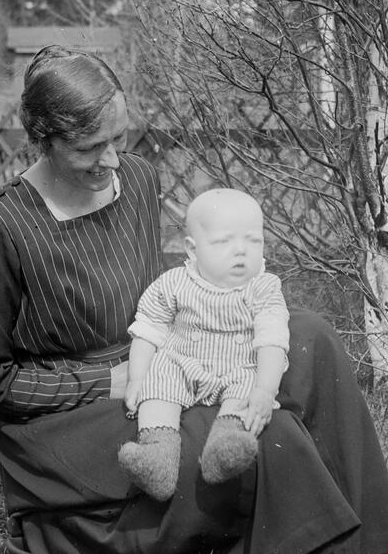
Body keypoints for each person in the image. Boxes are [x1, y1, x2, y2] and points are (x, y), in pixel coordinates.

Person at [0, 45, 388, 554]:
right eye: (89, 147)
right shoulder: (0, 227)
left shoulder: (139, 180)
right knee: (248, 431)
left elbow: (160, 300)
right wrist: (107, 379)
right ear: (43, 139)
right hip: (69, 416)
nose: (112, 159)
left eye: (118, 138)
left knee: (310, 338)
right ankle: (281, 540)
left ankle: (360, 541)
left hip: (161, 359)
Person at [120, 189, 290, 501]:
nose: (241, 251)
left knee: (245, 394)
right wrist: (136, 378)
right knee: (158, 386)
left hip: (238, 366)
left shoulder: (263, 288)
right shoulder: (174, 282)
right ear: (192, 249)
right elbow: (148, 329)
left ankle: (224, 452)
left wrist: (265, 391)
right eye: (224, 242)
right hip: (182, 362)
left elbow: (272, 340)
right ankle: (156, 458)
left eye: (253, 241)